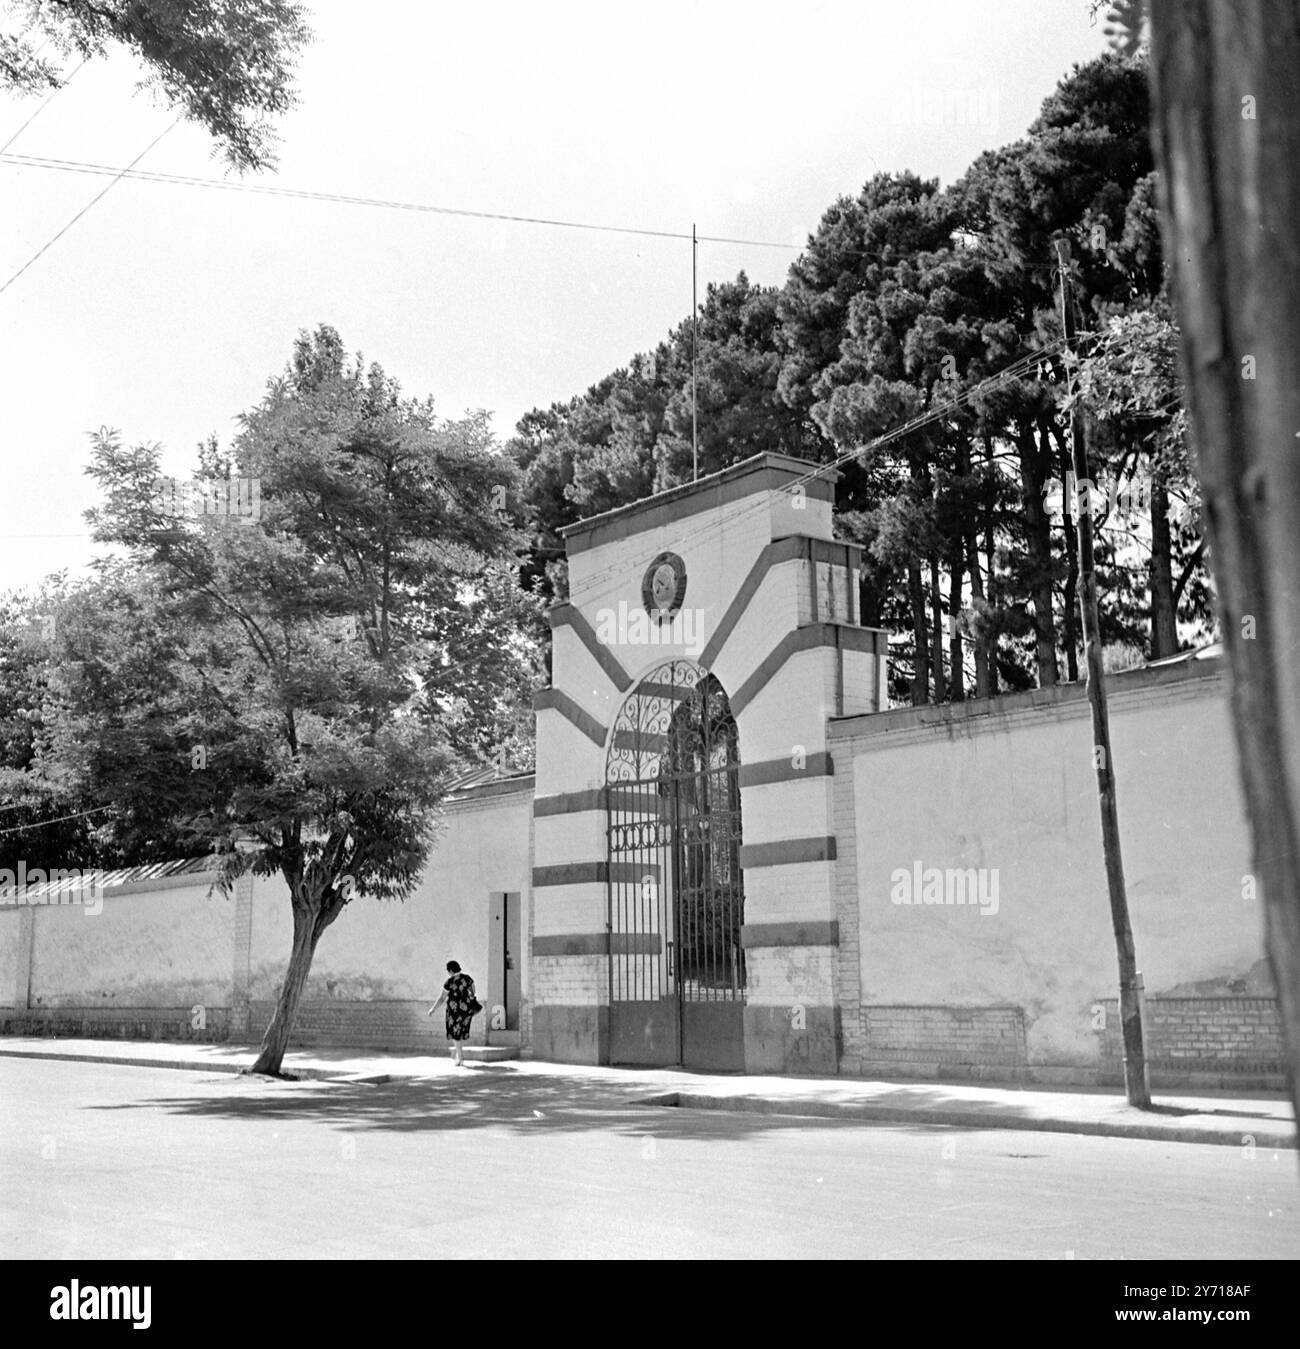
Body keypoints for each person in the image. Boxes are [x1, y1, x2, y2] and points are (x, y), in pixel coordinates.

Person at [427, 960, 478, 1066]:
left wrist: (433, 1009)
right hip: (466, 1010)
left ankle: (460, 1057)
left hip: (454, 1011)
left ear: (450, 970)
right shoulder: (467, 978)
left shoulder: (449, 982)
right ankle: (459, 1056)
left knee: (455, 1033)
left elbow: (441, 998)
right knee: (461, 1032)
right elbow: (473, 991)